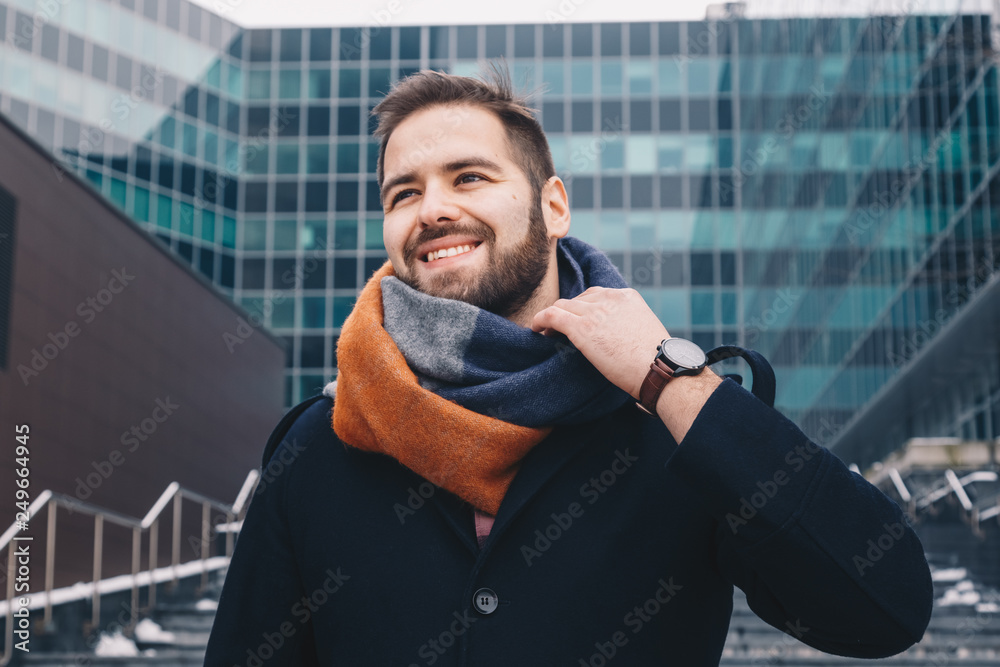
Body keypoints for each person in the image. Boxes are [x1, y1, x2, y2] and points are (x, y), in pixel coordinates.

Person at [204, 65, 932, 666]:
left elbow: (882, 607)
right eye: (404, 192)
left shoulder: (670, 425)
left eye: (468, 177)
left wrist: (669, 384)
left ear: (554, 206)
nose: (430, 210)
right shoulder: (321, 445)